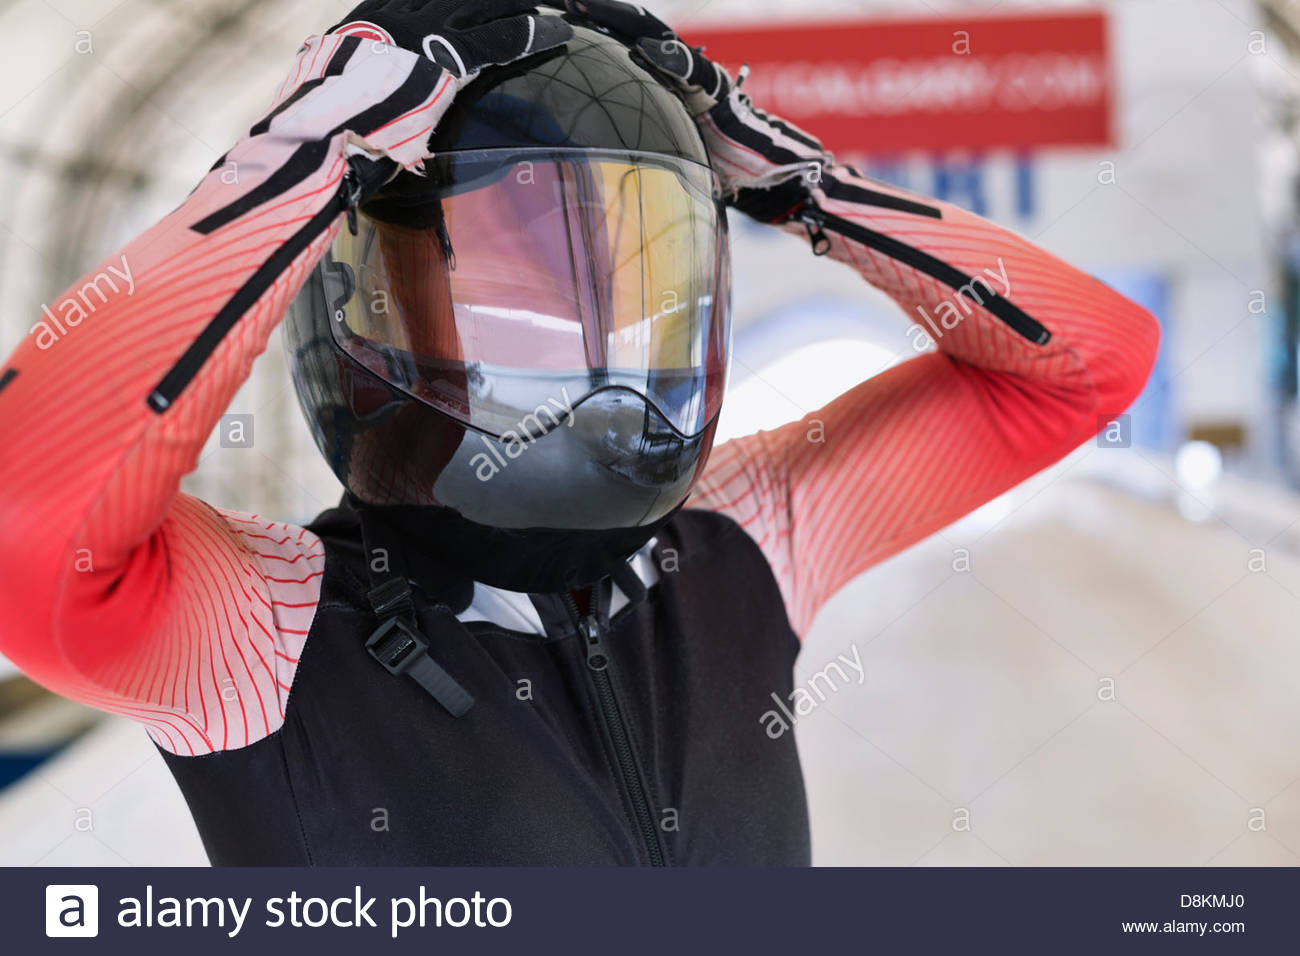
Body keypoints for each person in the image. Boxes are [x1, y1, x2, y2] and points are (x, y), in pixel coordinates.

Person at [0, 0, 1159, 866]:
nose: (595, 347)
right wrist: (307, 156)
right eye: (518, 282)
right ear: (351, 297)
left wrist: (802, 181)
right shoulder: (263, 631)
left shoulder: (738, 535)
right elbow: (26, 521)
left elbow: (1091, 360)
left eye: (628, 275)